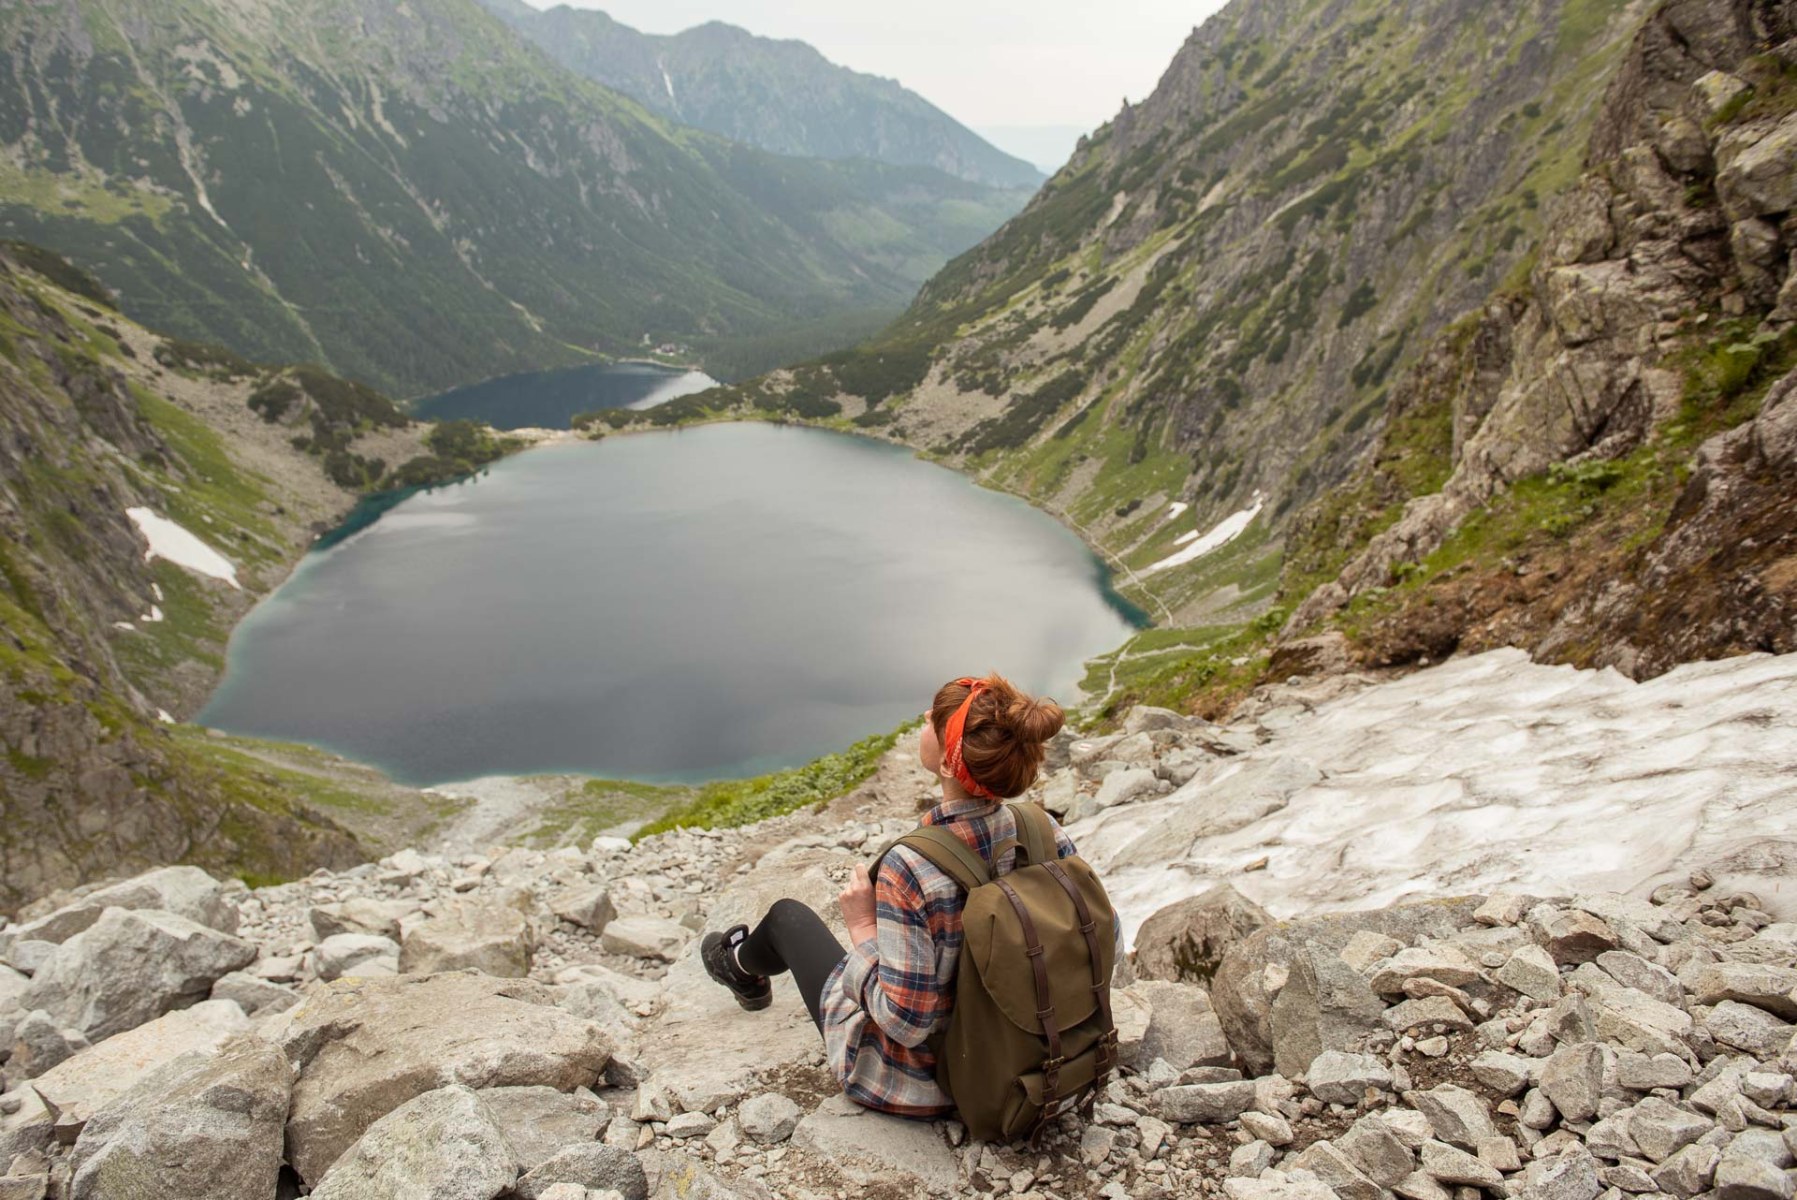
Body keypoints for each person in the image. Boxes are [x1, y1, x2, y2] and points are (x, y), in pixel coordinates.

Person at [701, 671, 1092, 1118]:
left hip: (932, 1081)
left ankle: (737, 968)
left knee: (787, 918)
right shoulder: (1042, 830)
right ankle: (742, 969)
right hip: (1040, 1060)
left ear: (949, 765)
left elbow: (906, 1023)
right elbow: (1102, 942)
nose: (925, 716)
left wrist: (862, 927)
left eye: (934, 721)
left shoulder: (911, 865)